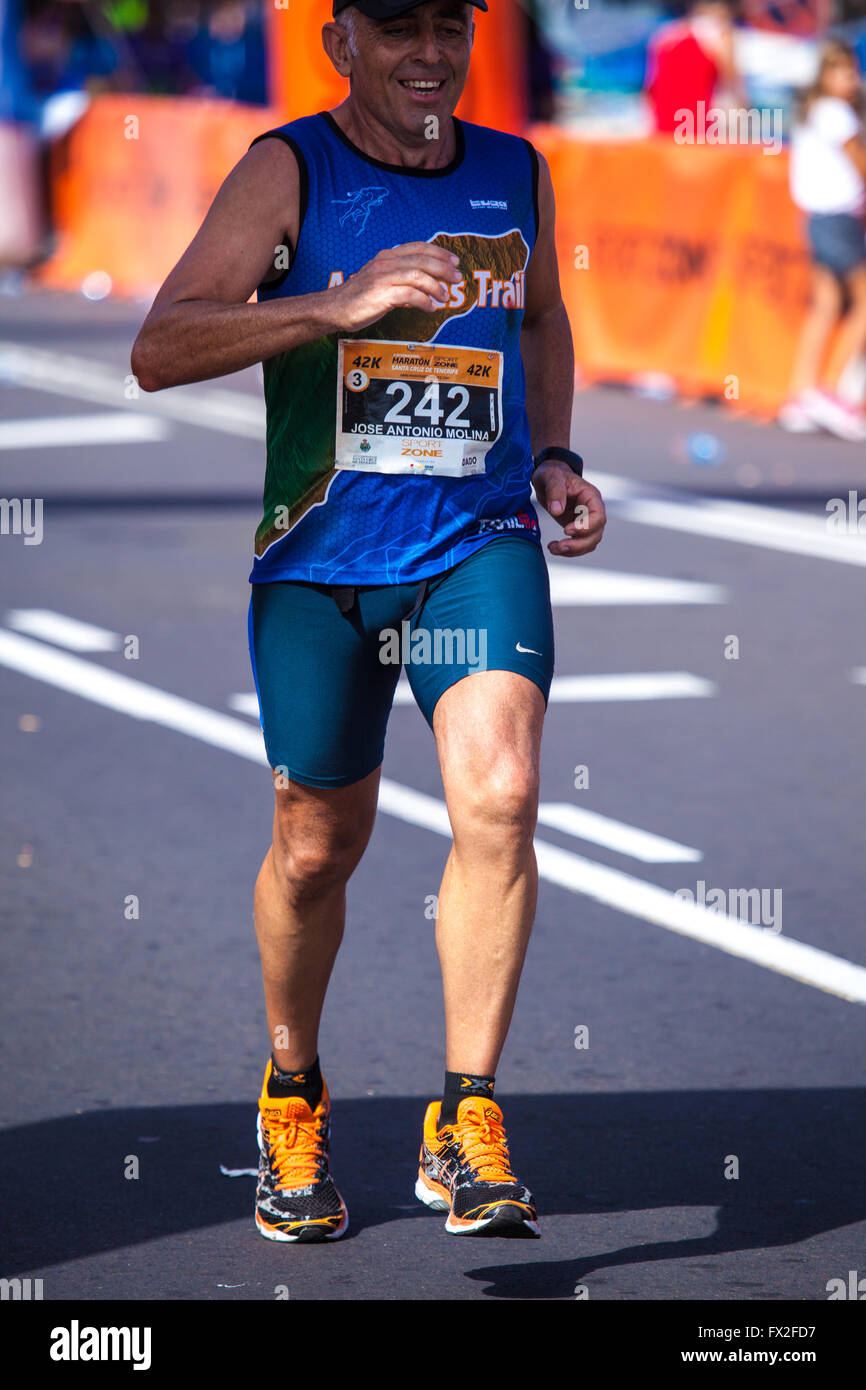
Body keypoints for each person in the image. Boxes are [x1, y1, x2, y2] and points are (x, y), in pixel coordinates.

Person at [131, 0, 606, 1244]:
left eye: (448, 27)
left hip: (474, 546)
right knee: (313, 847)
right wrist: (331, 306)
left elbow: (543, 315)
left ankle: (467, 1118)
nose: (429, 55)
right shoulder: (288, 168)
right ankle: (291, 1095)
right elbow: (160, 344)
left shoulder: (515, 172)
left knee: (499, 795)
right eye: (397, 29)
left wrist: (552, 451)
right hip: (321, 565)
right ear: (339, 44)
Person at [779, 40, 866, 442]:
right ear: (826, 75)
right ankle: (829, 393)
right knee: (863, 302)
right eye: (845, 72)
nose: (853, 80)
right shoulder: (835, 113)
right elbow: (860, 163)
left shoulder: (812, 113)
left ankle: (802, 392)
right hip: (837, 219)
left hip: (817, 219)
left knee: (826, 305)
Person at [645, 0, 741, 136]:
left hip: (663, 127)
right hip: (699, 128)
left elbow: (650, 88)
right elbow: (732, 86)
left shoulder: (665, 35)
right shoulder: (720, 35)